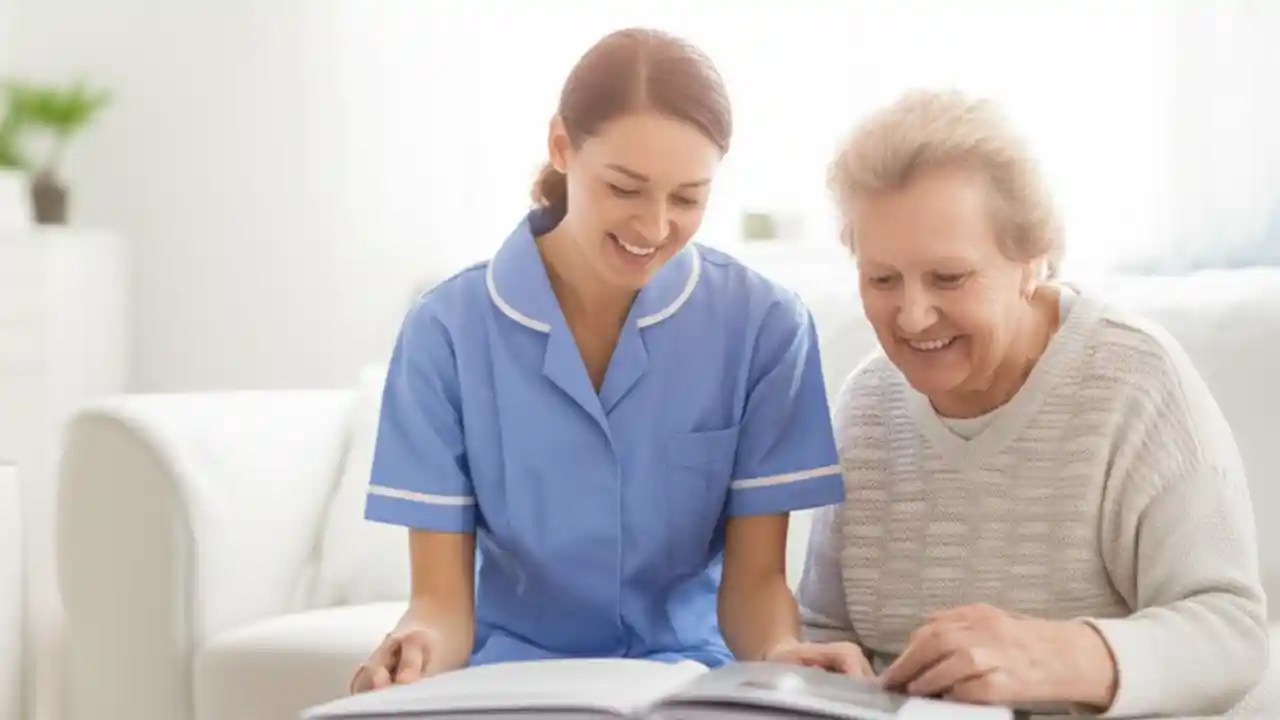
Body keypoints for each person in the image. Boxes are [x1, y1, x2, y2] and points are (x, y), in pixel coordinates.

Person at [350, 28, 868, 693]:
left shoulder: (766, 327)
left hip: (688, 681)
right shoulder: (444, 331)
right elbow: (442, 605)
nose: (653, 228)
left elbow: (755, 584)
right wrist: (414, 650)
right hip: (508, 684)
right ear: (562, 147)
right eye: (625, 189)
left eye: (687, 199)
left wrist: (780, 649)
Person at [799, 89, 1271, 718]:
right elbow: (824, 626)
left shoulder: (1134, 381)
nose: (911, 316)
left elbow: (1231, 634)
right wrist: (819, 667)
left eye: (949, 278)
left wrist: (1058, 655)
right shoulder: (865, 404)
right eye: (882, 279)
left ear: (1032, 262)